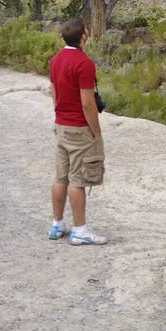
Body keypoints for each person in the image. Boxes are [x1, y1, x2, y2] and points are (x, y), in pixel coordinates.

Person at [48, 17, 108, 246]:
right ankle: (80, 230)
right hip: (79, 127)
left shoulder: (56, 60)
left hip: (62, 125)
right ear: (83, 36)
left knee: (60, 177)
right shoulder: (84, 64)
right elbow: (87, 103)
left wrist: (58, 117)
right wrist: (96, 132)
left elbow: (53, 91)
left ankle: (57, 224)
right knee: (77, 180)